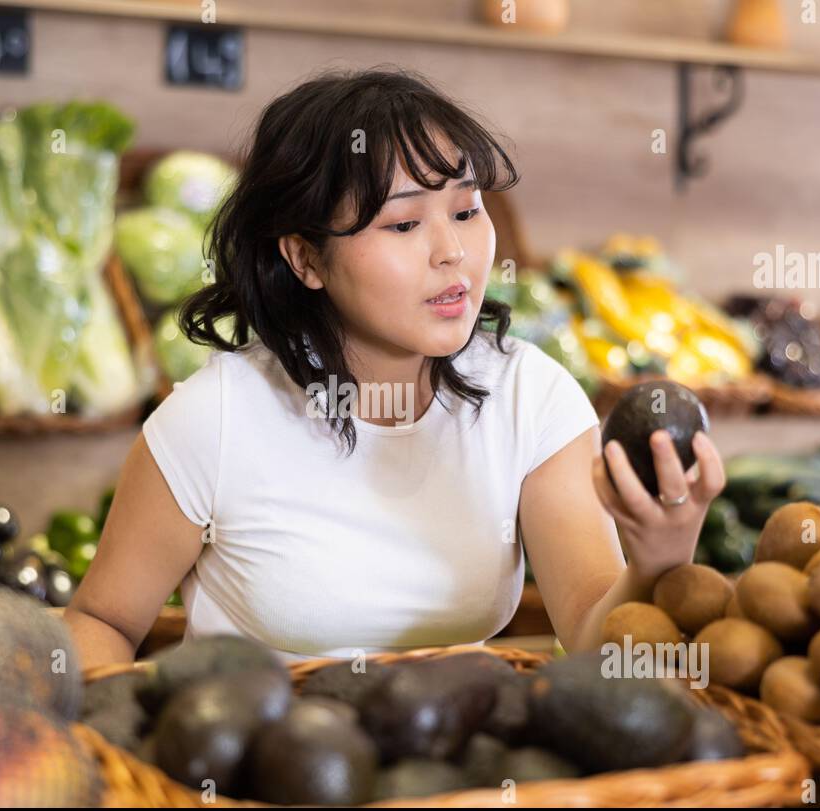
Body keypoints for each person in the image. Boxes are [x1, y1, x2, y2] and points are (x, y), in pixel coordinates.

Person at [66, 67, 725, 668]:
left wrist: (659, 561)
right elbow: (102, 619)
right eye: (404, 225)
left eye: (467, 212)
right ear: (306, 259)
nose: (453, 254)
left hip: (450, 776)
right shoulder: (213, 418)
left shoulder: (531, 396)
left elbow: (590, 632)